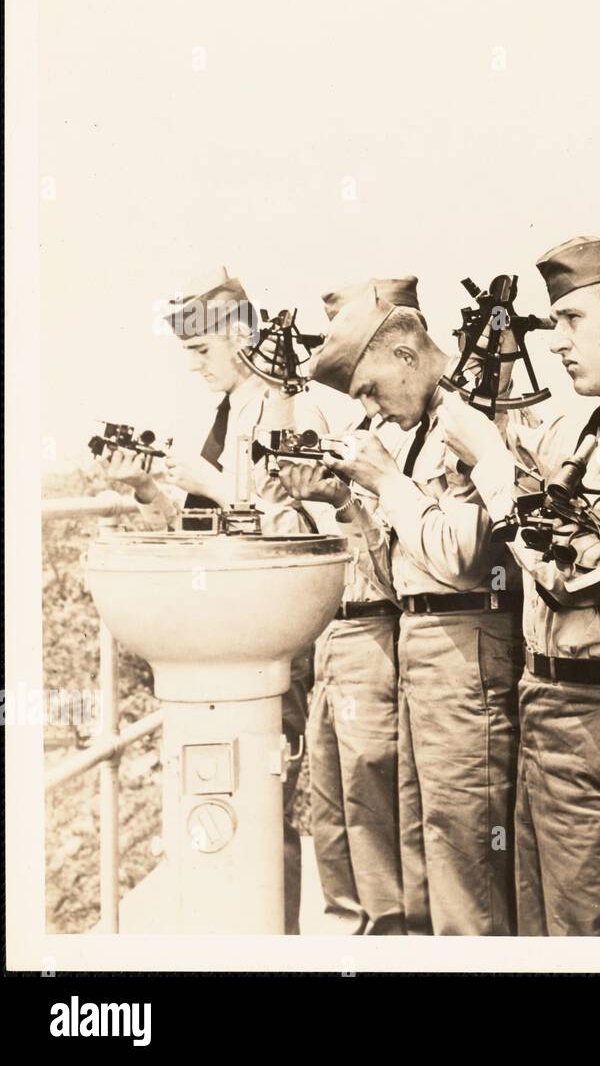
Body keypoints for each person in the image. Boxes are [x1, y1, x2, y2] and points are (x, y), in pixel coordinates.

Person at [439, 235, 600, 936]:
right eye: (552, 323)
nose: (555, 342)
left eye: (572, 320)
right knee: (545, 929)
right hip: (552, 701)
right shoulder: (587, 426)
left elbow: (573, 571)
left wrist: (493, 461)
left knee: (597, 931)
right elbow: (539, 491)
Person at [98, 266, 326, 933]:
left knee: (262, 802)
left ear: (240, 336)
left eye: (201, 352)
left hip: (268, 632)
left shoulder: (288, 406)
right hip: (229, 630)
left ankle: (267, 939)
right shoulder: (230, 413)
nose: (195, 368)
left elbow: (299, 533)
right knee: (232, 800)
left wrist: (217, 485)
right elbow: (212, 526)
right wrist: (151, 491)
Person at [307, 278, 526, 935]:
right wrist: (349, 501)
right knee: (423, 854)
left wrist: (385, 482)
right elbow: (394, 570)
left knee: (465, 862)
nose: (370, 406)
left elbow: (466, 557)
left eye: (371, 388)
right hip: (419, 645)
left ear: (406, 353)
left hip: (467, 646)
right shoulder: (415, 431)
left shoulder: (472, 421)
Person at [274, 280, 419, 936]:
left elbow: (399, 565)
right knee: (330, 813)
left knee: (373, 808)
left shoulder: (412, 439)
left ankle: (385, 938)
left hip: (375, 634)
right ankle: (345, 936)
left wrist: (346, 498)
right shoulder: (359, 432)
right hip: (334, 634)